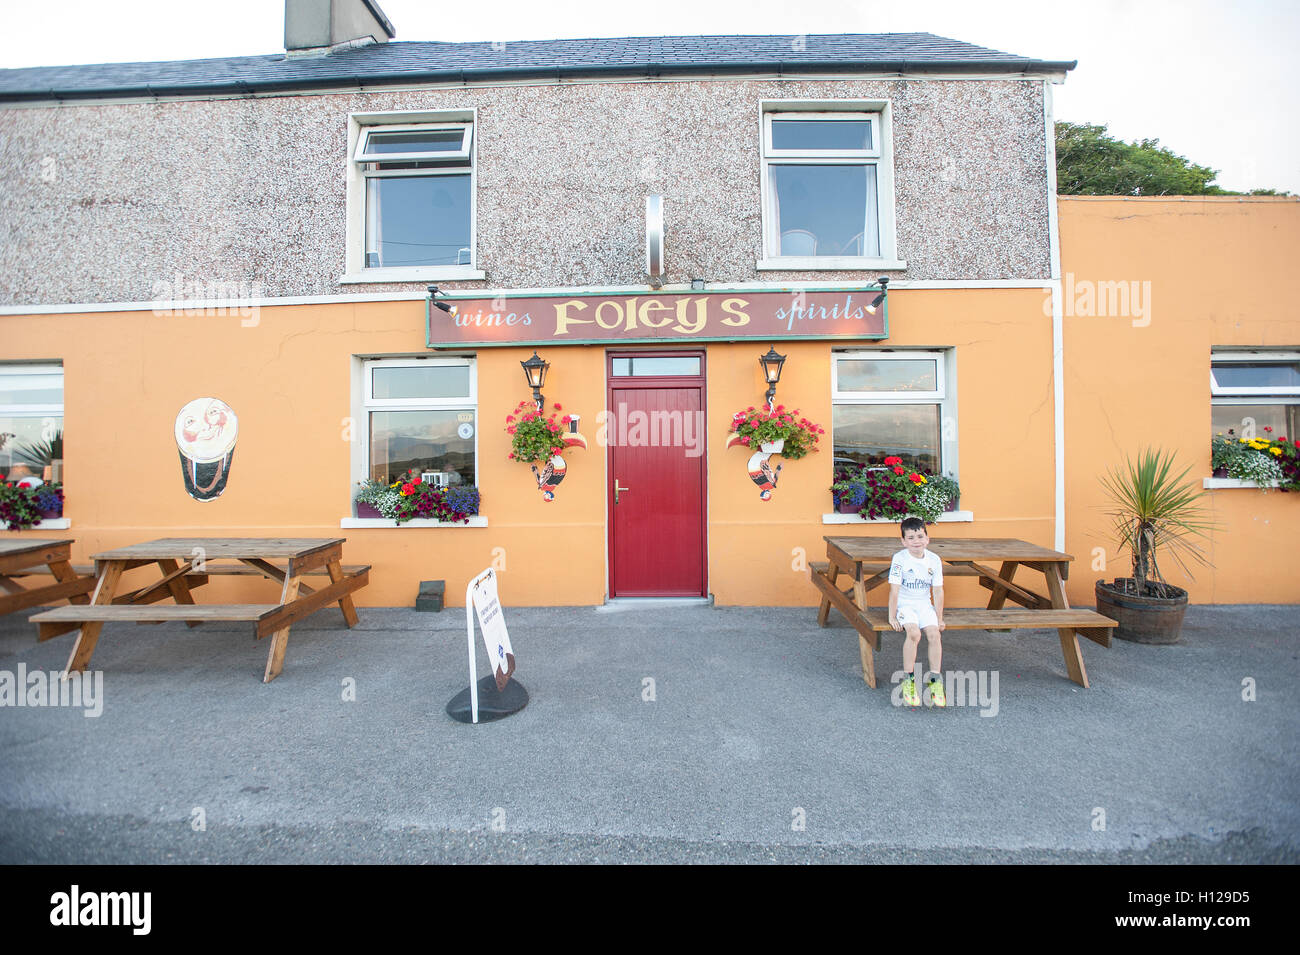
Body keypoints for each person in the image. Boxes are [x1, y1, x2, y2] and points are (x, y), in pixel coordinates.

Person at [888, 516, 947, 707]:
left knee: (934, 634)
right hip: (905, 605)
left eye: (920, 536)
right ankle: (908, 680)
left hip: (924, 604)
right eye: (911, 538)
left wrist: (939, 618)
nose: (916, 541)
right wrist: (892, 616)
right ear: (903, 541)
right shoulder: (900, 558)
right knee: (913, 634)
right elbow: (894, 590)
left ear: (927, 539)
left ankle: (935, 681)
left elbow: (937, 591)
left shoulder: (934, 560)